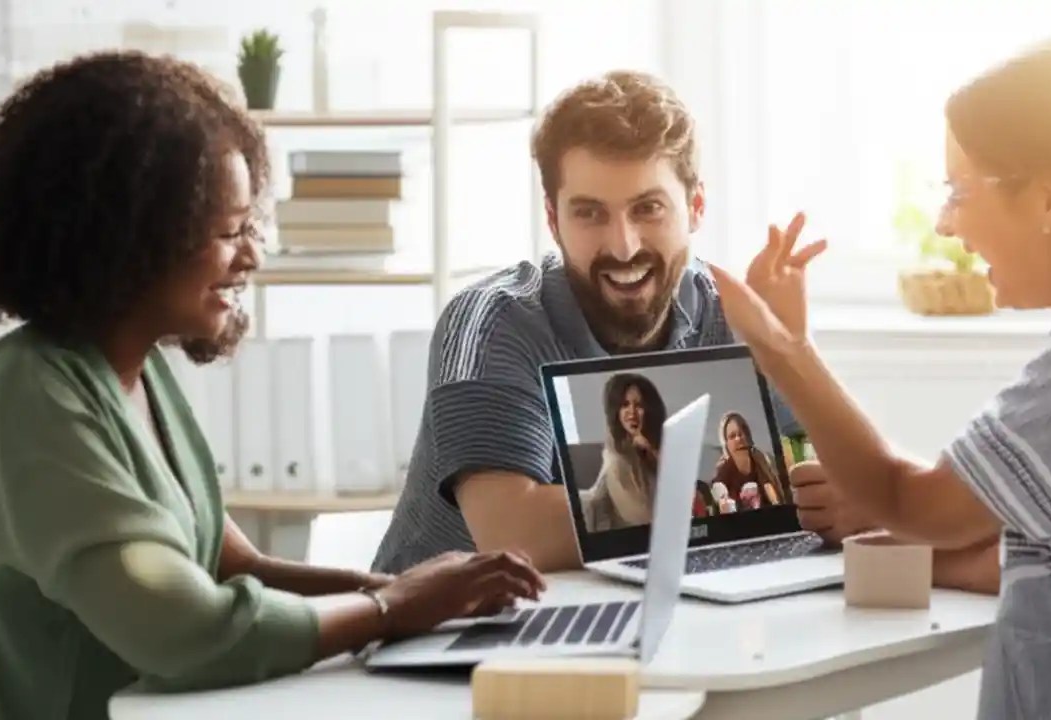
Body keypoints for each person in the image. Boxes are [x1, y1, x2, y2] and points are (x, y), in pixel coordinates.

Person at [0, 51, 544, 720]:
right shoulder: (28, 397)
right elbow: (181, 628)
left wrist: (407, 592)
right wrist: (390, 609)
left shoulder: (136, 370)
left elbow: (230, 566)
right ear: (129, 240)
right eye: (228, 231)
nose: (252, 254)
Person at [710, 37, 1051, 719]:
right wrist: (891, 529)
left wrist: (783, 350)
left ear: (1050, 200)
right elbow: (1048, 547)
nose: (945, 223)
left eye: (960, 191)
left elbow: (913, 503)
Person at [369, 69, 996, 591]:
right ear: (553, 220)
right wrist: (763, 494)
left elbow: (880, 478)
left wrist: (855, 496)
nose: (624, 245)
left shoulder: (731, 309)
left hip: (661, 613)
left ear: (695, 208)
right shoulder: (491, 322)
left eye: (649, 208)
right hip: (451, 645)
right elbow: (515, 532)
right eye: (590, 214)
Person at [580, 373, 665, 531]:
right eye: (625, 405)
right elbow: (645, 516)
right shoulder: (616, 458)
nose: (631, 412)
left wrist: (650, 450)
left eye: (639, 405)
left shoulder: (657, 443)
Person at [710, 411, 786, 509]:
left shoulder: (760, 459)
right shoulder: (724, 468)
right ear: (726, 443)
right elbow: (718, 489)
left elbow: (769, 487)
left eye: (741, 434)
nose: (738, 439)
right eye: (732, 436)